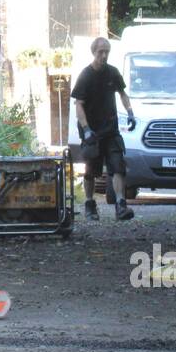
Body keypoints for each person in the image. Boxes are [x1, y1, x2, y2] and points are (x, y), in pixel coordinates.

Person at [71, 36, 136, 221]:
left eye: (107, 51)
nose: (104, 55)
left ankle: (121, 205)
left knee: (118, 167)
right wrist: (86, 128)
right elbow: (79, 104)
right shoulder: (86, 75)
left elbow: (123, 94)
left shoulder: (113, 73)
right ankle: (90, 205)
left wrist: (130, 112)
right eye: (101, 52)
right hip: (92, 130)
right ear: (94, 52)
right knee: (91, 170)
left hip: (111, 130)